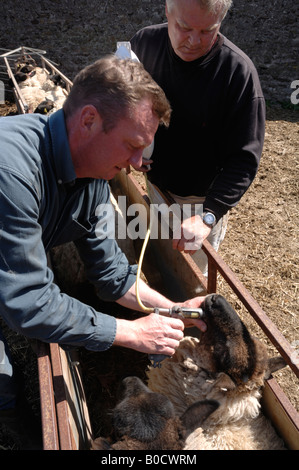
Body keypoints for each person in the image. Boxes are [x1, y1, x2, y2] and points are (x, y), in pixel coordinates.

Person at [0, 55, 206, 448]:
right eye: (132, 146)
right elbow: (27, 301)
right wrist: (130, 332)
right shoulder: (10, 172)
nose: (136, 164)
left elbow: (110, 272)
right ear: (89, 120)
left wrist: (171, 309)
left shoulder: (94, 173)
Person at [130, 0, 265, 282]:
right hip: (156, 185)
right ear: (167, 10)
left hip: (200, 202)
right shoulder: (143, 45)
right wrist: (133, 146)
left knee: (193, 277)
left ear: (221, 21)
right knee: (160, 252)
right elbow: (127, 105)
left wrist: (208, 216)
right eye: (184, 27)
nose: (193, 41)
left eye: (207, 30)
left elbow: (244, 160)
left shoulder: (238, 74)